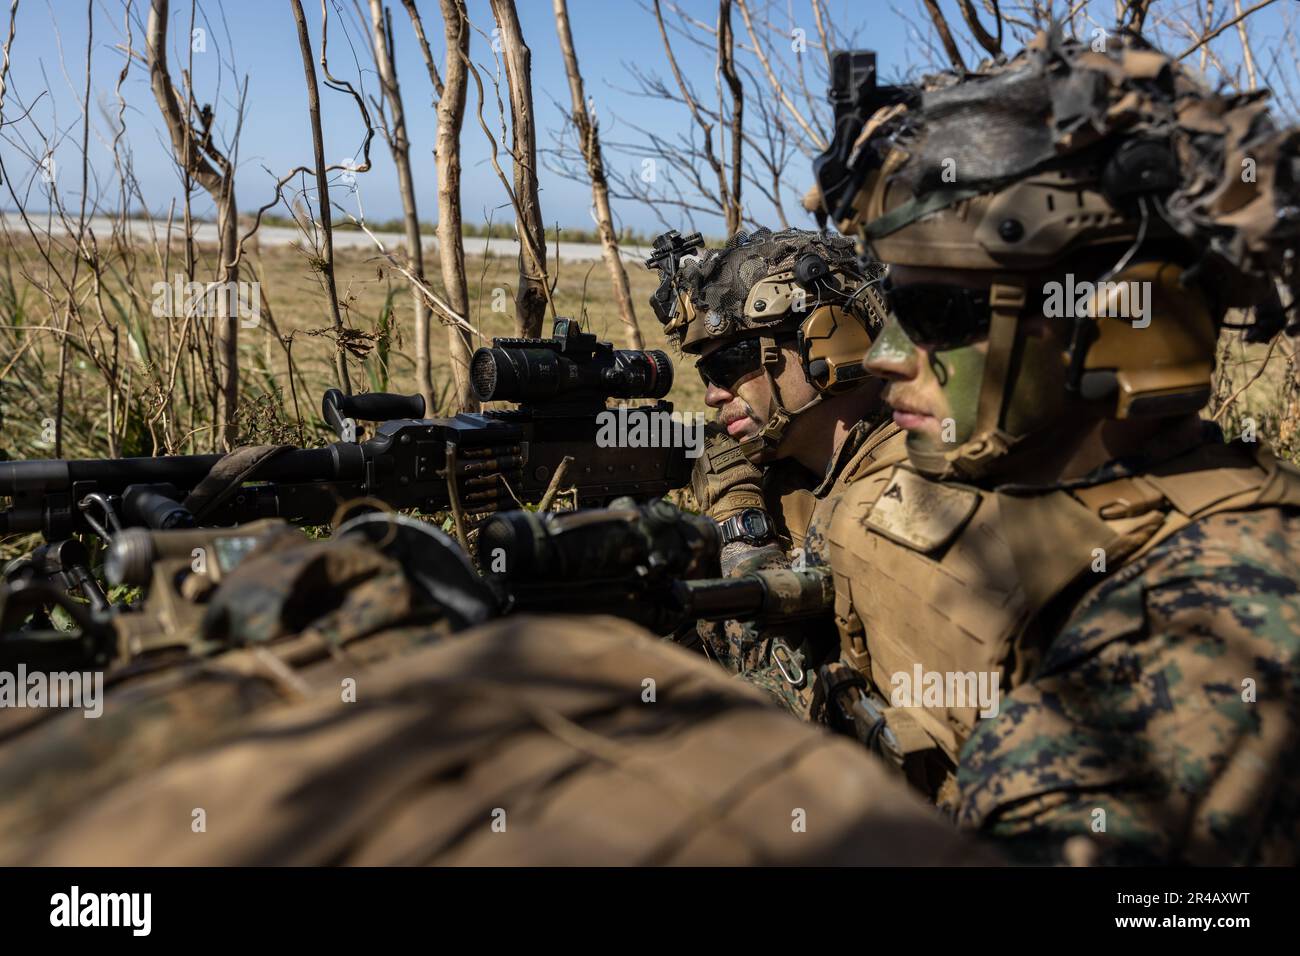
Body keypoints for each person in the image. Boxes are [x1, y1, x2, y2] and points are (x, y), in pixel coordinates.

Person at [807, 30, 1300, 864]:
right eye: (893, 302)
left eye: (939, 316)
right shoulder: (1061, 492)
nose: (884, 354)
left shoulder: (1214, 644)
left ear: (1119, 326)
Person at [648, 227, 906, 717]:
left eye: (729, 365)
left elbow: (779, 711)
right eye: (706, 376)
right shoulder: (786, 474)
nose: (713, 395)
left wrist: (738, 526)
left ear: (828, 339)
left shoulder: (900, 488)